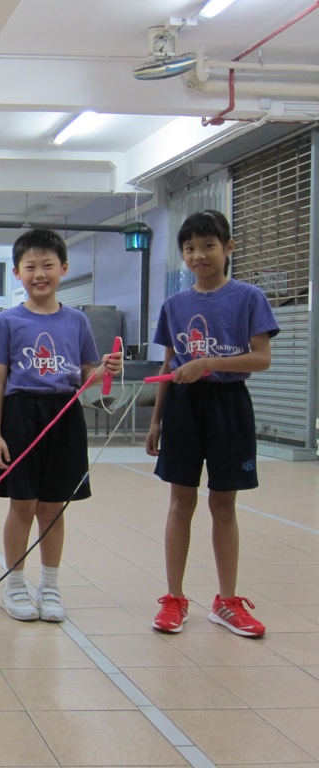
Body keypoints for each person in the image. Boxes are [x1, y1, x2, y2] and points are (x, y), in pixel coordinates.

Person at [146, 210, 279, 638]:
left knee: (223, 505)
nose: (198, 255)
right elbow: (169, 365)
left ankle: (226, 600)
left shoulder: (248, 297)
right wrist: (156, 421)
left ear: (228, 248)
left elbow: (261, 358)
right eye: (189, 249)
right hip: (183, 406)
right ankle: (174, 598)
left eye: (207, 246)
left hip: (228, 404)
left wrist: (207, 363)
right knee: (180, 501)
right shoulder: (175, 305)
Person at [0, 229, 121, 623]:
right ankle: (14, 586)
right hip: (21, 415)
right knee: (22, 504)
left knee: (53, 507)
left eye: (47, 265)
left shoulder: (77, 321)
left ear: (63, 268)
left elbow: (87, 376)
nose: (39, 274)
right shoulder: (7, 321)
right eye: (30, 267)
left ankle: (51, 586)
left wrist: (107, 370)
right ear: (16, 273)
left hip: (65, 416)